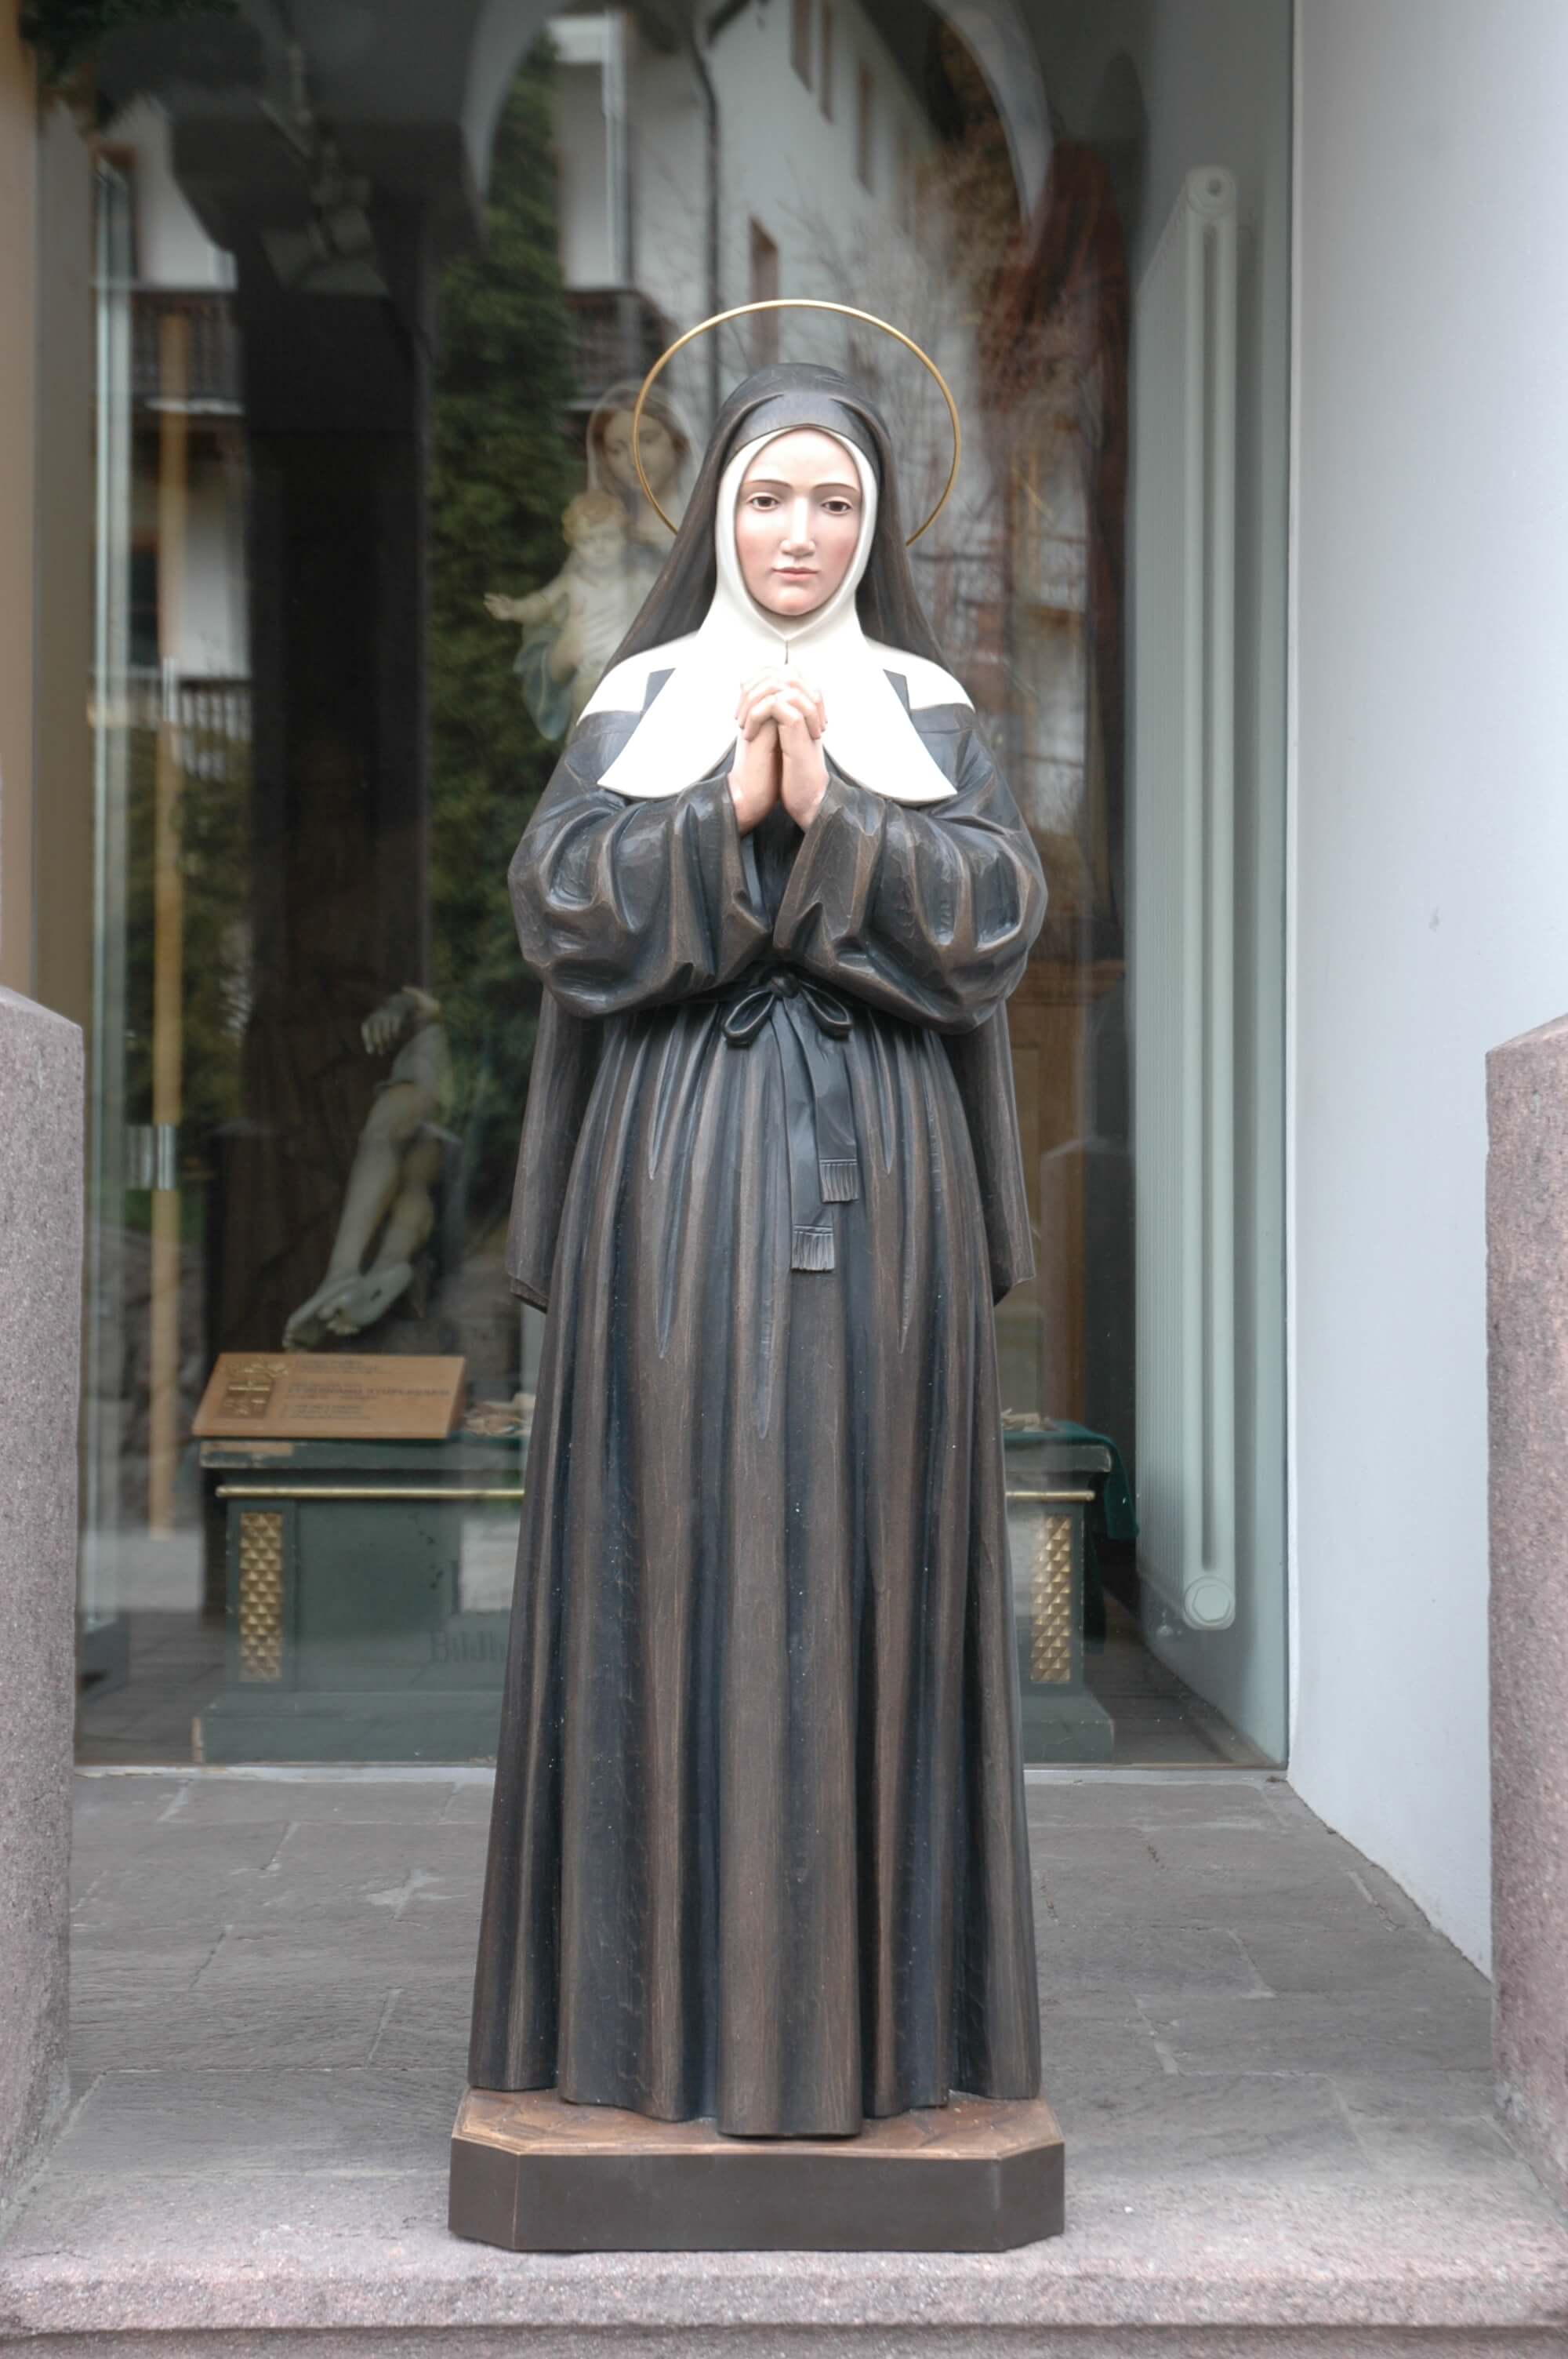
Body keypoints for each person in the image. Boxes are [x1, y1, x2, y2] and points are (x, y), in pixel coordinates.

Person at [469, 360, 1047, 2138]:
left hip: (880, 1188)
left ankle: (873, 2029)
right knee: (676, 1537)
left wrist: (839, 815)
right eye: (769, 498)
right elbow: (559, 904)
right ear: (714, 510)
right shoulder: (642, 696)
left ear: (874, 529)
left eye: (835, 505)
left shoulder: (928, 707)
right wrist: (720, 810)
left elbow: (994, 921)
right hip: (679, 1183)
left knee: (861, 1543)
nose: (799, 535)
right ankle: (651, 2029)